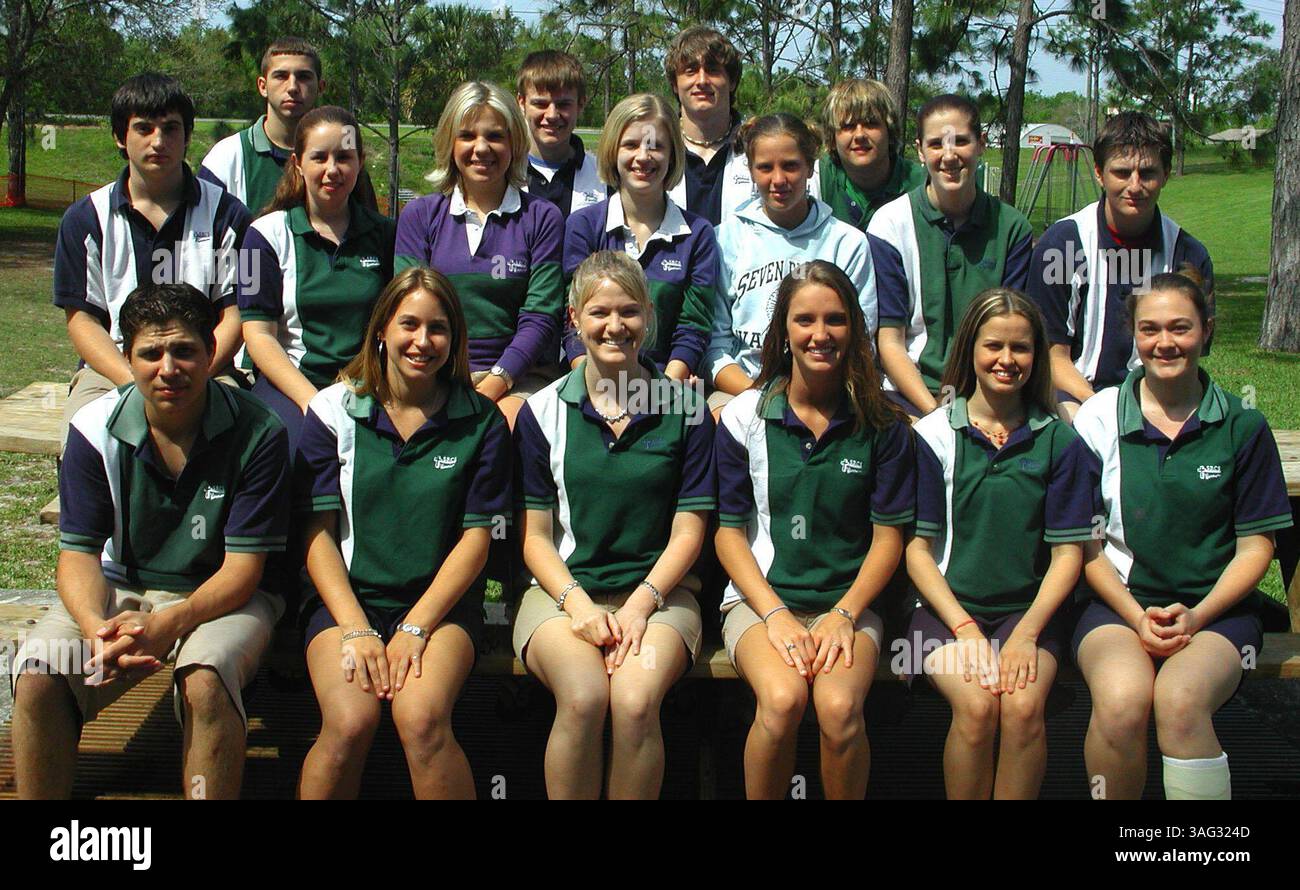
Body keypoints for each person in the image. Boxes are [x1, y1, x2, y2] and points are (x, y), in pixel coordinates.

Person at [10, 282, 290, 800]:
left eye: (184, 350)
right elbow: (78, 556)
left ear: (212, 353)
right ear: (127, 357)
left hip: (223, 596)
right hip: (121, 588)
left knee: (206, 677)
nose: (169, 368)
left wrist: (167, 625)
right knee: (40, 672)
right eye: (151, 352)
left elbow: (244, 571)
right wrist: (96, 628)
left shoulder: (259, 432)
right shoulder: (94, 427)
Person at [1070, 267, 1291, 800]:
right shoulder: (1097, 418)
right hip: (1116, 605)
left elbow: (1257, 544)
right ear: (1133, 335)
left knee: (1180, 700)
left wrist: (1198, 614)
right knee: (1122, 703)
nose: (1164, 343)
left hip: (1216, 610)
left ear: (1207, 331)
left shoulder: (1242, 425)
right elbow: (1084, 544)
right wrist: (1134, 615)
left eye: (1180, 328)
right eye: (1150, 329)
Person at [295, 267, 510, 799]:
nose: (422, 341)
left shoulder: (481, 421)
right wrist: (356, 629)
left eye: (438, 328)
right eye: (408, 324)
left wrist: (414, 628)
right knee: (349, 722)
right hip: (346, 600)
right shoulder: (332, 411)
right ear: (381, 330)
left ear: (455, 339)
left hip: (438, 609)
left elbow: (476, 540)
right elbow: (317, 535)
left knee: (421, 720)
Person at [513, 251, 715, 799]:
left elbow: (690, 531)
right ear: (574, 318)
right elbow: (534, 537)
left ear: (648, 317)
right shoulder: (543, 411)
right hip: (560, 595)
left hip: (662, 596)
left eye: (629, 311)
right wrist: (578, 606)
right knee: (582, 698)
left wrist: (639, 604)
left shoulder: (685, 410)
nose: (615, 326)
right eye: (599, 312)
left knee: (633, 701)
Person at [714, 261, 914, 800]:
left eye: (836, 320)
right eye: (804, 320)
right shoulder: (744, 418)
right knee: (781, 702)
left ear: (855, 329)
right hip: (759, 605)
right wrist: (776, 615)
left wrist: (844, 614)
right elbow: (728, 534)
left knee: (840, 708)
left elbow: (888, 540)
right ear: (783, 331)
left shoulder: (884, 423)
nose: (820, 335)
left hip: (849, 605)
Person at [906, 289, 1094, 799]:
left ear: (1038, 357)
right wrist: (965, 629)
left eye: (1022, 348)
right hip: (944, 611)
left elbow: (1067, 556)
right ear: (970, 349)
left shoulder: (1059, 440)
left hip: (1028, 612)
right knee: (976, 705)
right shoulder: (932, 435)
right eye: (994, 346)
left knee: (1024, 705)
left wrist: (1028, 634)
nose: (1007, 360)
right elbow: (917, 553)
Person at [54, 73, 251, 439]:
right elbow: (82, 320)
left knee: (242, 436)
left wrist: (193, 374)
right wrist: (137, 380)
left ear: (187, 136)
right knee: (81, 436)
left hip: (205, 367)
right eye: (143, 128)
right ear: (119, 137)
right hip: (112, 371)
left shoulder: (230, 214)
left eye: (171, 128)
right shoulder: (84, 219)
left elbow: (237, 314)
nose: (158, 141)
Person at [395, 80, 565, 429]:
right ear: (449, 142)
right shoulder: (420, 216)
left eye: (495, 136)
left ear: (515, 143)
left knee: (501, 430)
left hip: (518, 377)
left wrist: (492, 386)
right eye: (467, 135)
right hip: (434, 371)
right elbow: (409, 312)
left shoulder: (543, 218)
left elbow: (540, 317)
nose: (481, 148)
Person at [1027, 112, 1214, 422]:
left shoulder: (1188, 254)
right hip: (1075, 396)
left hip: (1161, 396)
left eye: (1148, 172)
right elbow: (1051, 356)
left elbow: (1190, 355)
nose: (1135, 185)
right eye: (1122, 172)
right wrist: (1103, 409)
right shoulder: (1063, 245)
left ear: (1166, 174)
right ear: (1100, 174)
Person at [238, 105, 396, 451]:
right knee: (295, 452)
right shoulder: (260, 237)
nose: (332, 170)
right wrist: (313, 402)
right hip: (292, 385)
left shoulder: (386, 234)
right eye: (319, 157)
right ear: (298, 163)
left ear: (360, 162)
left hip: (367, 386)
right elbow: (258, 335)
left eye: (344, 157)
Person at [870, 94, 1033, 418]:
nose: (949, 156)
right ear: (919, 151)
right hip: (909, 394)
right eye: (935, 144)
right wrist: (934, 417)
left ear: (981, 143)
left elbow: (1011, 337)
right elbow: (890, 342)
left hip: (989, 394)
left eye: (960, 141)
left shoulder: (1013, 228)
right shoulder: (890, 225)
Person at [706, 113, 876, 417]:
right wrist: (760, 398)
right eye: (765, 168)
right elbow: (716, 347)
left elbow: (862, 340)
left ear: (810, 167)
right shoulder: (725, 240)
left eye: (791, 166)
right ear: (750, 171)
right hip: (744, 389)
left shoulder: (846, 243)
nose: (778, 180)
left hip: (827, 391)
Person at [562, 93, 718, 381]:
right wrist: (592, 385)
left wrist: (664, 390)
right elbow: (570, 322)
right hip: (592, 379)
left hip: (666, 381)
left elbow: (693, 327)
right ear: (612, 150)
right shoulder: (583, 226)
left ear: (673, 154)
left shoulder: (698, 235)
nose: (643, 157)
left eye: (656, 146)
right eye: (631, 145)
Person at [200, 37, 325, 216]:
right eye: (281, 76)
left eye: (303, 77)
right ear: (263, 86)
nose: (292, 87)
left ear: (320, 87)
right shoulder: (226, 157)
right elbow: (200, 234)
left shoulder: (340, 159)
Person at [663, 26, 755, 227]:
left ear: (731, 82)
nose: (702, 80)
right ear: (674, 84)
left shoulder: (756, 148)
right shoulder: (659, 150)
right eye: (691, 70)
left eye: (713, 70)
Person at [810, 78, 927, 231]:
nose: (859, 135)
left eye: (871, 123)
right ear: (833, 137)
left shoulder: (922, 183)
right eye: (848, 126)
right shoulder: (815, 180)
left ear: (889, 130)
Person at [516, 49, 606, 219]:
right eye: (540, 104)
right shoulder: (503, 174)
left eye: (563, 104)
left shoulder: (604, 179)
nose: (551, 115)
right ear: (522, 103)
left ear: (580, 104)